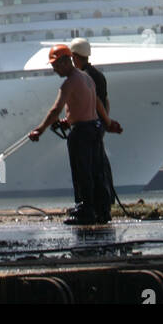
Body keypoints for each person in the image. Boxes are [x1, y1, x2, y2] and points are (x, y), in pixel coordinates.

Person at [28, 44, 121, 225]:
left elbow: (56, 109)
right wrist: (108, 123)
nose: (55, 71)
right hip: (94, 129)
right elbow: (97, 105)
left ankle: (86, 209)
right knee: (96, 171)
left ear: (64, 62)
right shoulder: (86, 78)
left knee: (82, 172)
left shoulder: (69, 83)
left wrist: (40, 129)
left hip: (82, 133)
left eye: (55, 66)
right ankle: (102, 210)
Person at [70, 38, 113, 218]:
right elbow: (106, 101)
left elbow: (93, 102)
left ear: (74, 57)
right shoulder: (98, 74)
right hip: (97, 126)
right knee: (98, 167)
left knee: (84, 168)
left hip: (86, 126)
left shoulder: (82, 77)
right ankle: (102, 207)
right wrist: (104, 123)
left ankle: (86, 206)